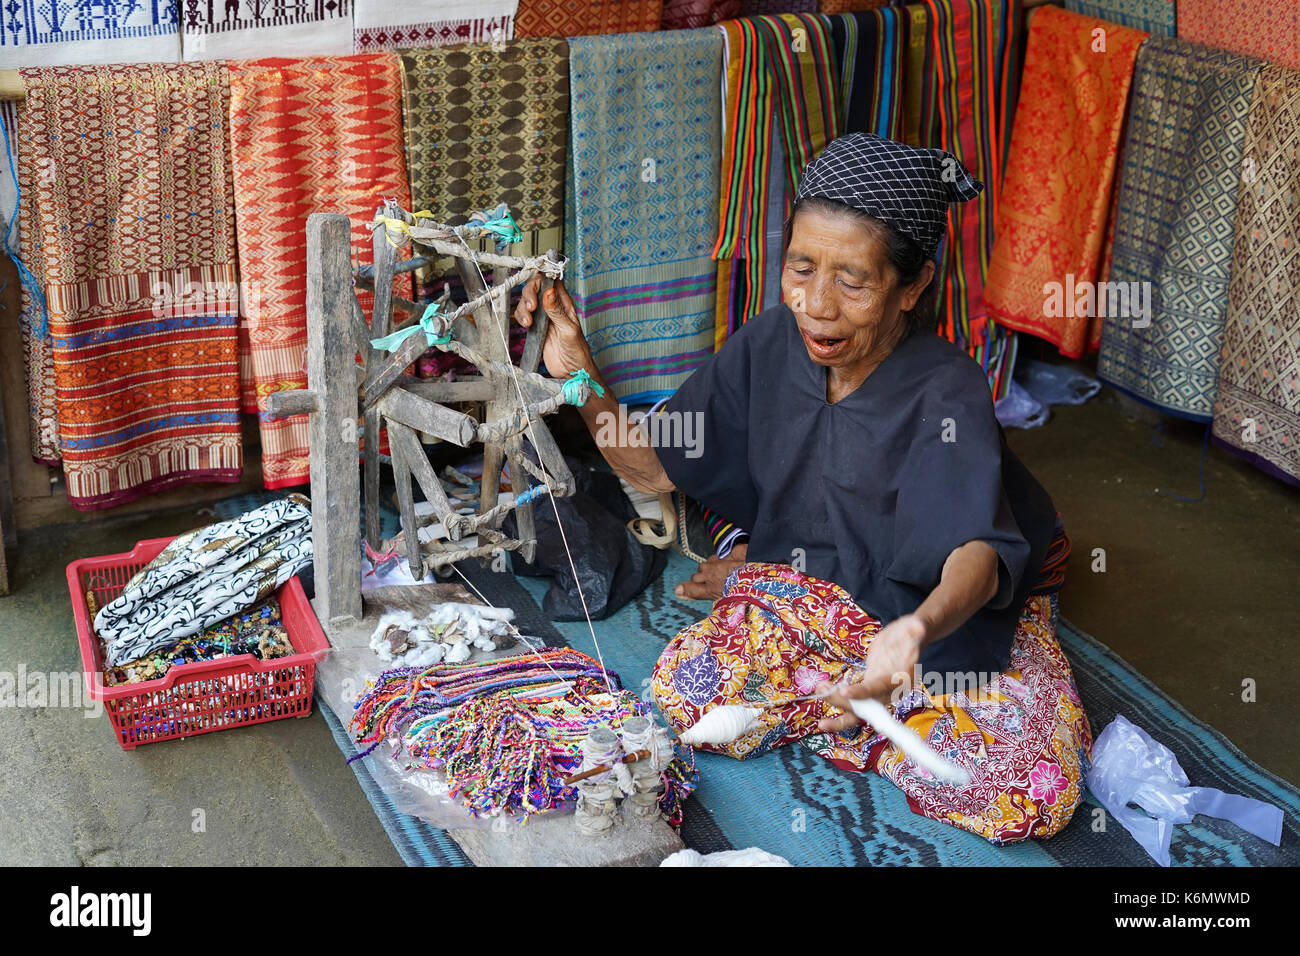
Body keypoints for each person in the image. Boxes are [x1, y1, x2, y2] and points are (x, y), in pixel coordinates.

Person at [515, 133, 1090, 843]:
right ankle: (863, 708)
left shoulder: (945, 393)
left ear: (912, 286)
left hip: (944, 612)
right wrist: (580, 376)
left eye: (853, 280)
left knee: (1027, 789)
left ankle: (865, 704)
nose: (816, 304)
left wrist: (914, 632)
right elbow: (657, 468)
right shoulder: (769, 345)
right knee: (686, 691)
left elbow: (976, 552)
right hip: (823, 585)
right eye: (802, 267)